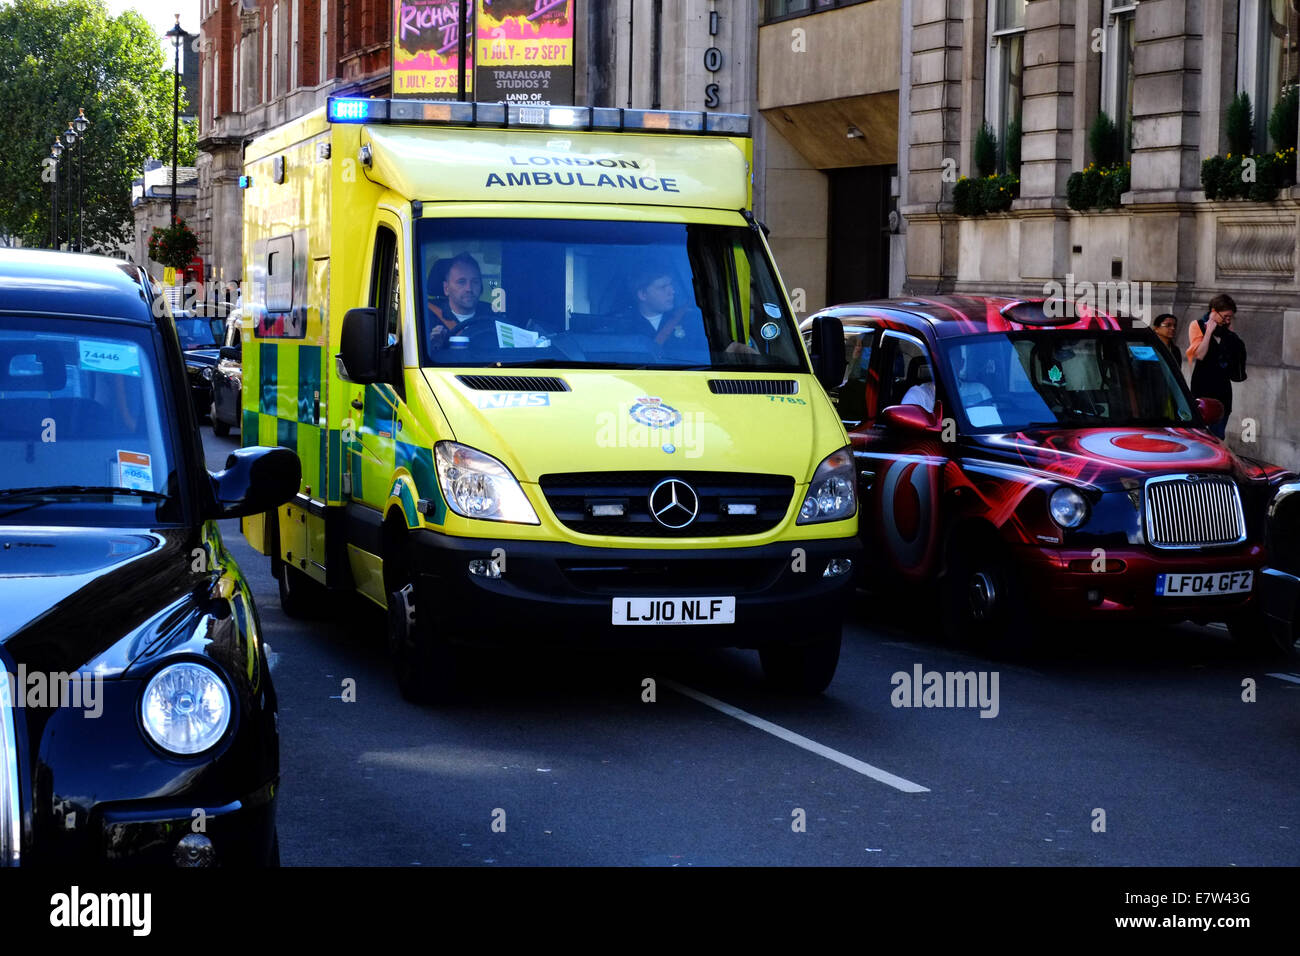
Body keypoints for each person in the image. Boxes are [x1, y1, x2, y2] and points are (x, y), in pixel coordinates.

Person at [1185, 294, 1246, 439]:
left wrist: (1232, 338)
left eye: (1230, 317)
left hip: (1223, 392)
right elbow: (1200, 355)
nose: (1228, 320)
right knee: (1201, 437)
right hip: (1202, 389)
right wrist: (1208, 333)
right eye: (1225, 316)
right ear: (1214, 311)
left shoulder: (1228, 334)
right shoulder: (1197, 326)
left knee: (1218, 436)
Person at [426, 252, 499, 351]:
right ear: (446, 288)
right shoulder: (427, 319)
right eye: (461, 282)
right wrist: (433, 346)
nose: (469, 288)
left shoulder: (494, 317)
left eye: (475, 282)